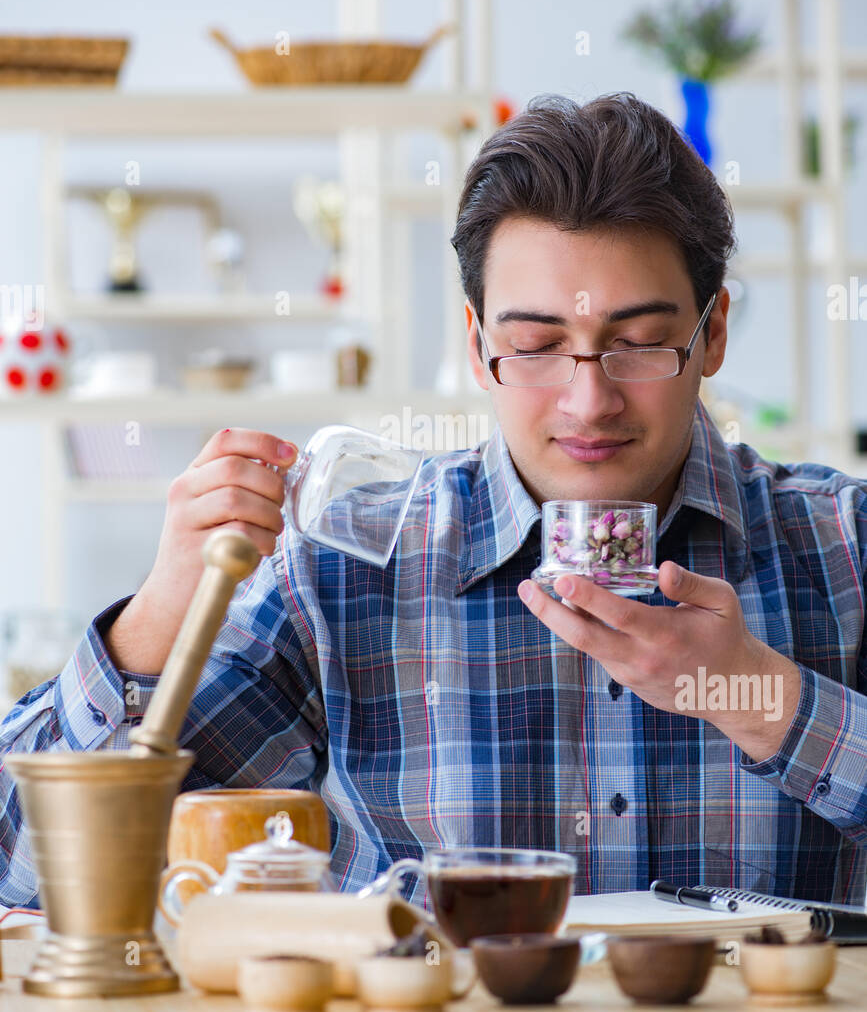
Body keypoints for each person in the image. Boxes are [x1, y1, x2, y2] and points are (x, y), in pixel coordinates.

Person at [2, 91, 866, 910]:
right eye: (534, 346)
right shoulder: (345, 566)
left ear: (711, 332)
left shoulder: (840, 543)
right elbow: (29, 874)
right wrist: (154, 622)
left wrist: (761, 696)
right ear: (474, 341)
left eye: (637, 343)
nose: (587, 401)